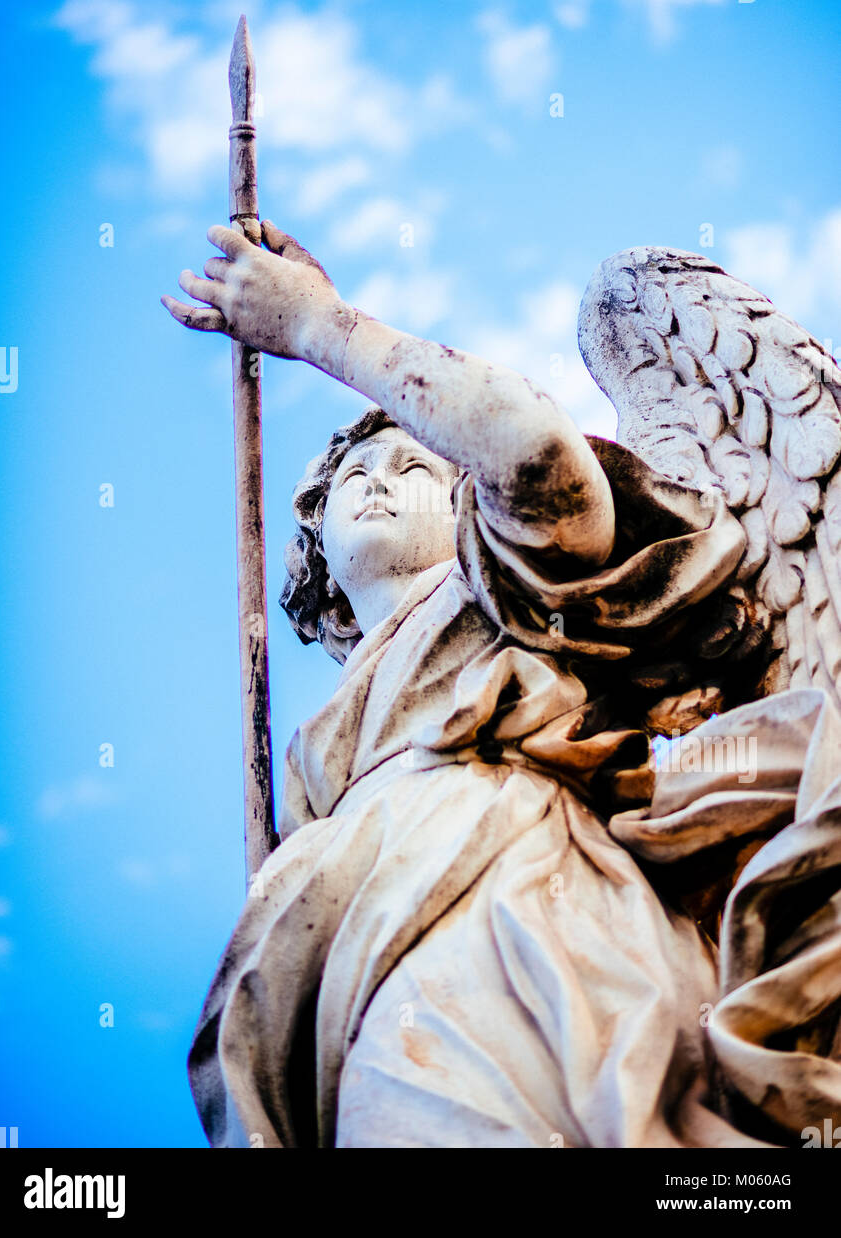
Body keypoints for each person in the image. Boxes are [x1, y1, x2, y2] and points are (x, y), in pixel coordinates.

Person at [162, 224, 841, 1148]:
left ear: (464, 505)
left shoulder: (513, 590)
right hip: (349, 961)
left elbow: (527, 451)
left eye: (412, 464)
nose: (376, 482)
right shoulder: (327, 731)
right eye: (351, 477)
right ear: (313, 550)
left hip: (514, 906)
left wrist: (317, 327)